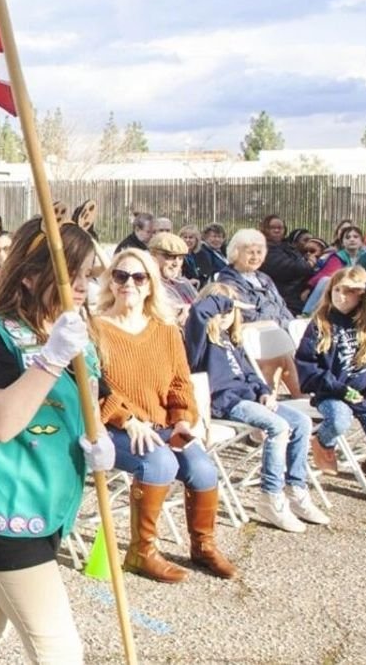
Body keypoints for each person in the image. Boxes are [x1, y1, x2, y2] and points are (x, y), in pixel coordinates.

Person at [0, 217, 110, 664]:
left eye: (87, 276)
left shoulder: (76, 335)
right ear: (32, 277)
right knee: (59, 651)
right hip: (0, 509)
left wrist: (98, 442)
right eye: (69, 275)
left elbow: (86, 407)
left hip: (46, 503)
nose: (81, 288)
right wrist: (51, 360)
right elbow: (0, 422)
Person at [97, 248, 236, 582]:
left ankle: (203, 546)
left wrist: (183, 420)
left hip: (162, 423)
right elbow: (92, 387)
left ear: (150, 285)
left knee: (202, 468)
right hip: (114, 426)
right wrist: (128, 421)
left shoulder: (164, 329)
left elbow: (179, 382)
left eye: (138, 277)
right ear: (111, 282)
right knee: (159, 462)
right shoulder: (96, 328)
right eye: (120, 275)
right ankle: (141, 551)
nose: (128, 283)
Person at [185, 284, 329, 532]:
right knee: (278, 426)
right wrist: (226, 301)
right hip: (224, 402)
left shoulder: (232, 340)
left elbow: (251, 374)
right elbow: (199, 311)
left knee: (301, 422)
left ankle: (295, 488)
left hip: (249, 398)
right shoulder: (198, 341)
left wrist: (264, 393)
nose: (225, 315)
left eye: (230, 310)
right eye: (220, 309)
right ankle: (270, 497)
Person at [295, 267, 366, 485]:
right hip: (332, 392)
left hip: (364, 394)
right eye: (337, 290)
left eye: (349, 291)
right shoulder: (321, 324)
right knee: (339, 421)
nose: (341, 296)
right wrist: (338, 388)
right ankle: (323, 443)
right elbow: (307, 369)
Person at [214, 228, 303, 396]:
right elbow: (245, 314)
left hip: (276, 332)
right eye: (250, 252)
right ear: (236, 253)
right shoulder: (228, 280)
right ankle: (273, 398)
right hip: (249, 336)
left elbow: (281, 306)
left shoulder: (263, 278)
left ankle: (298, 397)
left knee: (295, 346)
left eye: (259, 252)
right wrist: (280, 326)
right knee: (280, 354)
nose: (256, 256)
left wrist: (289, 325)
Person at [259, 215, 313, 314]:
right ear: (265, 229)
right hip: (285, 295)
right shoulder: (265, 248)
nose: (277, 230)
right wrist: (309, 264)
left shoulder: (287, 246)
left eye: (280, 228)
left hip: (298, 290)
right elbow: (291, 268)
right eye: (272, 228)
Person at [308, 224, 365, 313]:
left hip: (363, 285)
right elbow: (327, 273)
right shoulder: (338, 256)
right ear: (342, 242)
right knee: (325, 280)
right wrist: (308, 287)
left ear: (362, 241)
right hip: (342, 285)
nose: (352, 239)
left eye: (355, 237)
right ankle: (308, 313)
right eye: (347, 237)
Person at [148, 232, 198, 326]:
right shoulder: (147, 285)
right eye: (169, 257)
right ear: (152, 256)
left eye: (180, 258)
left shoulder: (184, 282)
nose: (176, 263)